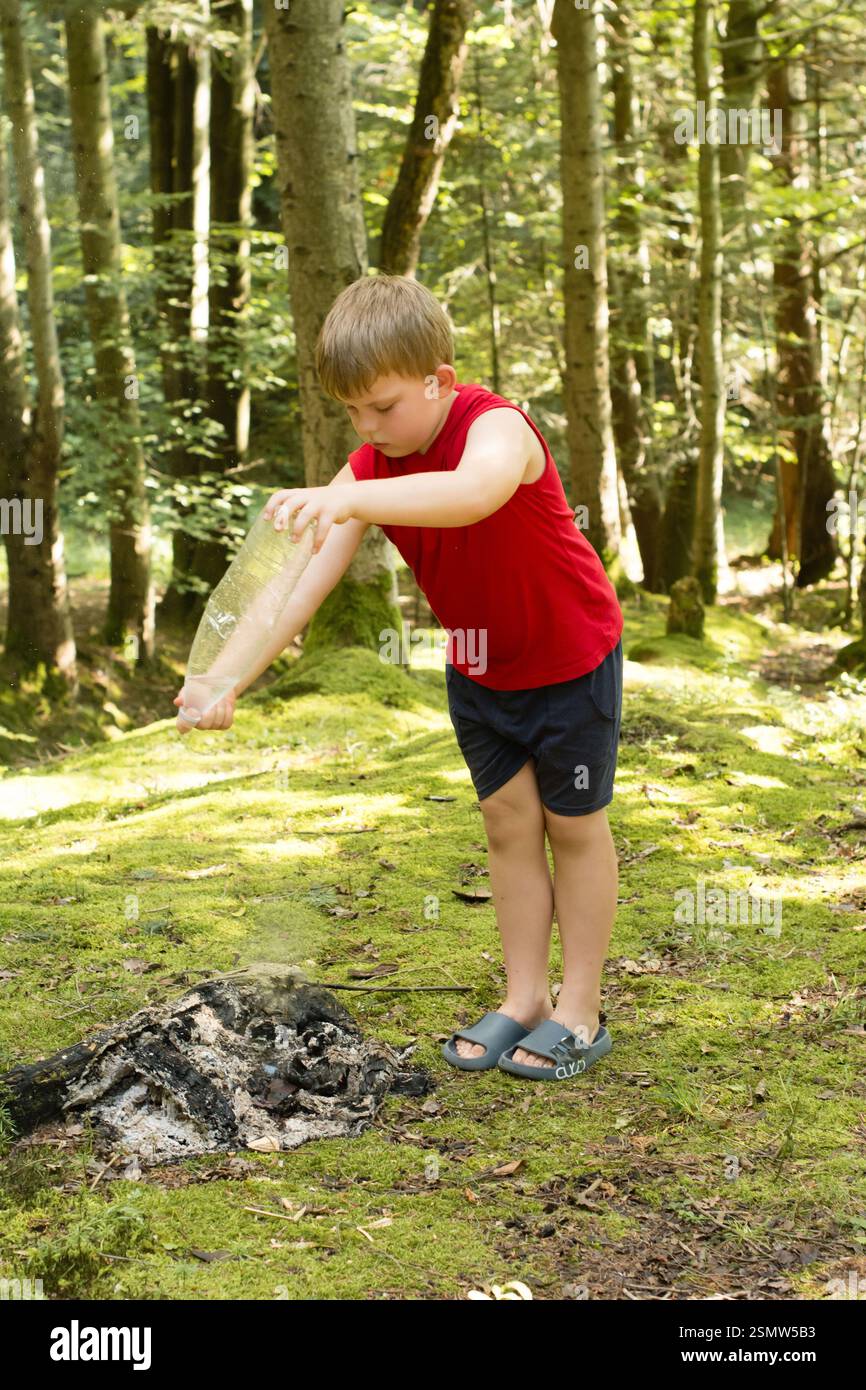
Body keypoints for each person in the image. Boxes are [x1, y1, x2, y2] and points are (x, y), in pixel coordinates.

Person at [174, 273, 624, 1081]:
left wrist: (353, 496)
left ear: (439, 379)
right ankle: (523, 998)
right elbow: (295, 585)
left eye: (382, 407)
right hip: (481, 669)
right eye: (352, 412)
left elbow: (471, 494)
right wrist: (222, 678)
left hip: (570, 660)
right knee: (508, 826)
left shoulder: (499, 430)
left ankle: (579, 1010)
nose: (367, 427)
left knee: (574, 827)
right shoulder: (370, 468)